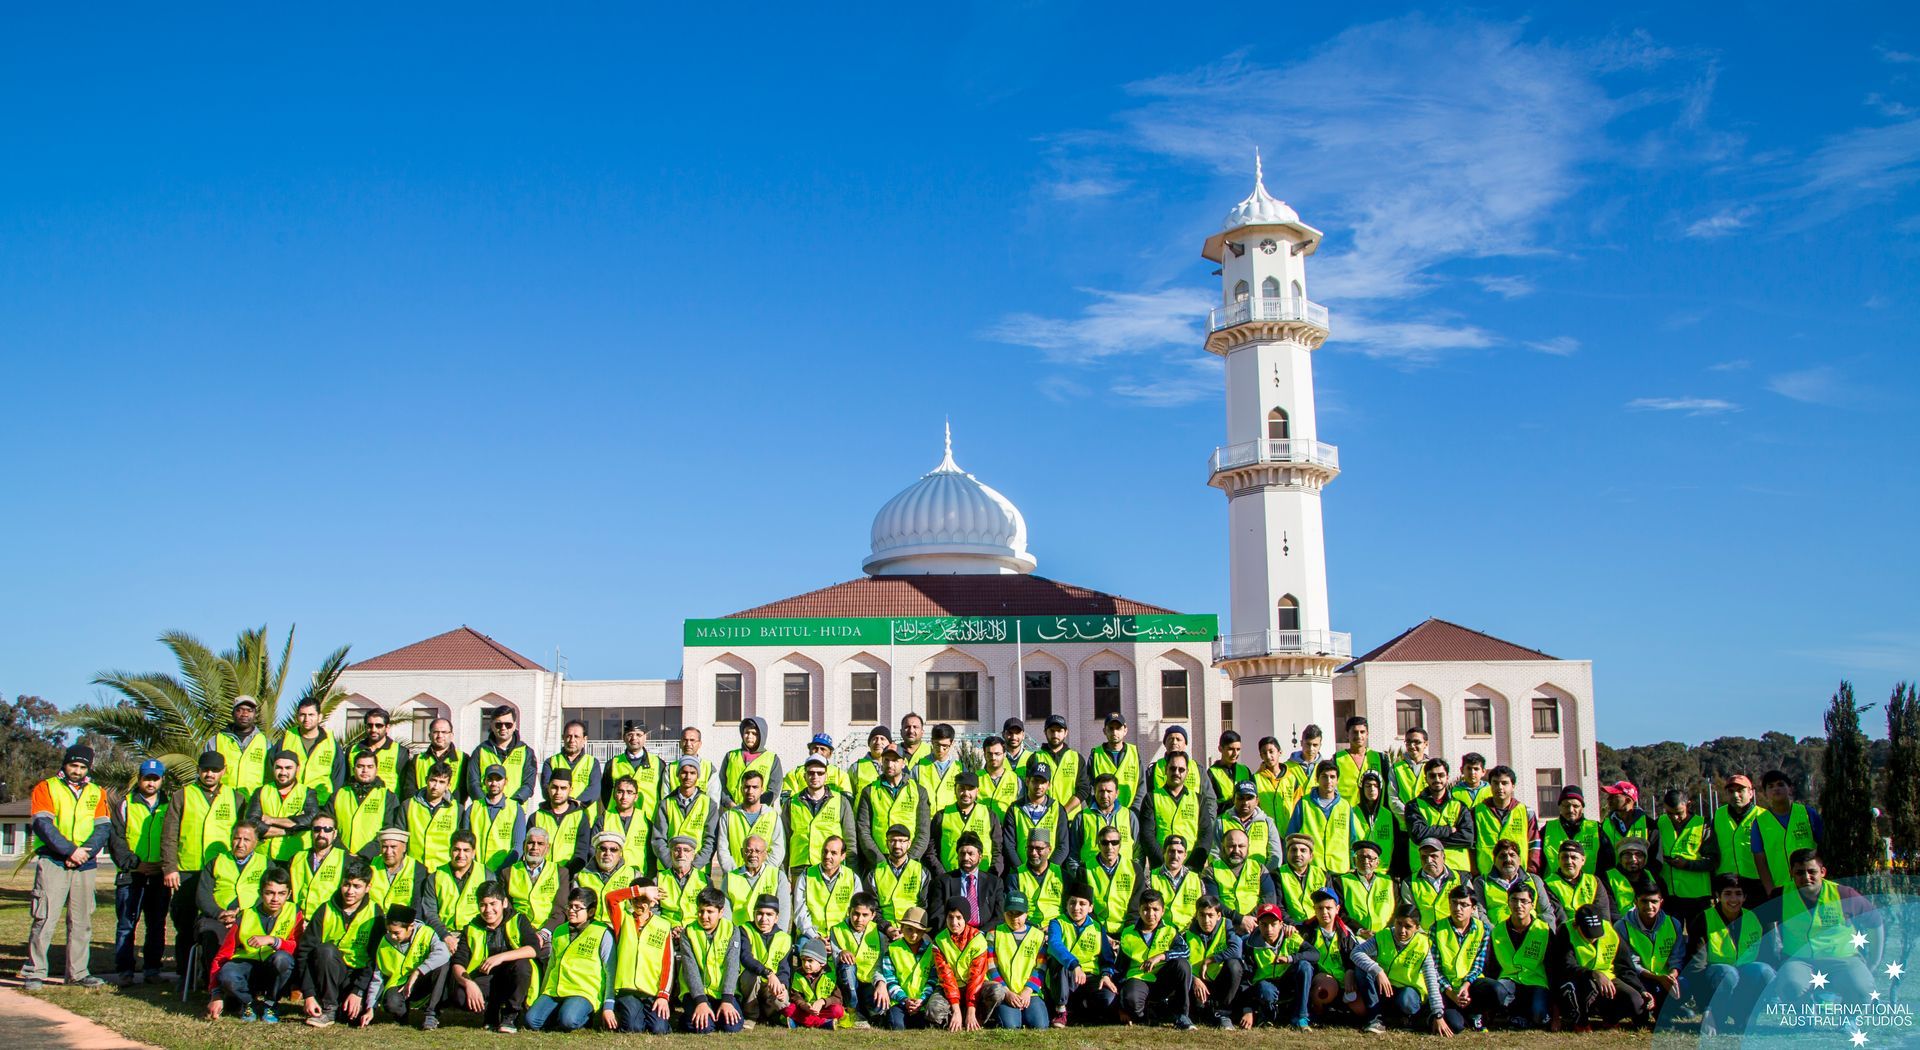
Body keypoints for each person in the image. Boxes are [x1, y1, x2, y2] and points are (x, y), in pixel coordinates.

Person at [22, 744, 111, 991]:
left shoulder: (97, 792)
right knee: (44, 918)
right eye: (74, 765)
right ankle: (35, 972)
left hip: (85, 864)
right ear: (65, 764)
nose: (77, 771)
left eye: (83, 767)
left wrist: (84, 853)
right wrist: (70, 851)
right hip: (53, 861)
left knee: (82, 921)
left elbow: (103, 827)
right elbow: (43, 824)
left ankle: (78, 973)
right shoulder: (46, 787)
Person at [163, 750, 240, 985]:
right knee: (184, 924)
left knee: (217, 923)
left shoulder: (235, 798)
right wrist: (170, 867)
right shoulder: (182, 795)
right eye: (205, 770)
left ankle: (211, 974)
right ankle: (184, 974)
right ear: (198, 770)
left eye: (215, 770)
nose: (210, 774)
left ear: (223, 771)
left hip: (219, 872)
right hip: (187, 869)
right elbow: (169, 834)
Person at [1775, 849, 1881, 1004]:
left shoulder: (1843, 894)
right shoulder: (1780, 896)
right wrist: (1772, 956)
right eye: (1799, 873)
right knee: (1790, 986)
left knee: (1862, 990)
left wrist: (1874, 962)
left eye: (1812, 872)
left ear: (1823, 872)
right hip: (1798, 960)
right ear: (1791, 873)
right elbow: (1761, 923)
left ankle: (1849, 1016)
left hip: (1844, 960)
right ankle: (1806, 1013)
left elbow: (1875, 920)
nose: (1806, 877)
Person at [1682, 874, 1775, 1036]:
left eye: (1738, 894)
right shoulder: (1703, 919)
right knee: (1728, 973)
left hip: (1744, 978)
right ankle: (1716, 1015)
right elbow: (1696, 968)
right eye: (1727, 894)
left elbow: (1767, 957)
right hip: (1716, 979)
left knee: (1766, 971)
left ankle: (1745, 1015)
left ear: (1745, 897)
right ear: (1718, 896)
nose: (1733, 899)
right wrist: (1706, 1009)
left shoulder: (1754, 918)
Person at [206, 865, 302, 1022]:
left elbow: (297, 948)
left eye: (281, 893)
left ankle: (271, 1004)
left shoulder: (294, 912)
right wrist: (215, 994)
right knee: (227, 973)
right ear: (260, 893)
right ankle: (248, 1003)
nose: (275, 899)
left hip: (274, 969)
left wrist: (273, 941)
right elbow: (222, 956)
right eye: (269, 893)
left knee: (283, 959)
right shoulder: (246, 915)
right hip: (248, 967)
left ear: (289, 894)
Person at [296, 857, 383, 1028]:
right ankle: (328, 1008)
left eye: (357, 886)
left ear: (368, 887)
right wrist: (308, 994)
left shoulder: (375, 913)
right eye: (346, 885)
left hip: (358, 977)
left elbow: (376, 958)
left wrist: (358, 991)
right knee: (325, 950)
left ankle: (346, 1006)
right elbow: (304, 952)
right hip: (329, 974)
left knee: (353, 1019)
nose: (350, 891)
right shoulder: (325, 909)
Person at [448, 880, 544, 1034]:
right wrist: (468, 984)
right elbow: (458, 963)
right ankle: (490, 1013)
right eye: (483, 905)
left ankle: (511, 1014)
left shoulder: (519, 919)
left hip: (512, 976)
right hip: (486, 977)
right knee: (461, 995)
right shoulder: (471, 927)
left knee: (522, 966)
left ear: (504, 903)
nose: (488, 910)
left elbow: (533, 949)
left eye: (493, 904)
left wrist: (501, 957)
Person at [109, 758, 171, 986]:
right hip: (131, 874)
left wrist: (165, 864)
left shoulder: (169, 804)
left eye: (155, 779)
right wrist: (134, 863)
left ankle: (152, 969)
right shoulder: (125, 804)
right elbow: (116, 839)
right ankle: (125, 970)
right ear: (139, 779)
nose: (151, 783)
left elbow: (174, 836)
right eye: (147, 778)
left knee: (156, 924)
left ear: (162, 780)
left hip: (158, 874)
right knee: (127, 923)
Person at [192, 820, 271, 989]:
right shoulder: (215, 862)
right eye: (237, 838)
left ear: (256, 842)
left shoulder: (266, 864)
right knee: (211, 934)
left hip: (252, 918)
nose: (240, 844)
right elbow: (202, 895)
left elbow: (270, 895)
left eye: (246, 840)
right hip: (217, 918)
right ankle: (214, 985)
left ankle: (247, 985)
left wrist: (242, 915)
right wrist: (219, 913)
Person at [525, 887, 616, 1032]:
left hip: (583, 991)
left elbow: (610, 972)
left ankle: (586, 1016)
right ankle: (557, 1013)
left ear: (591, 911)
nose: (571, 911)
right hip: (555, 990)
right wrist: (542, 993)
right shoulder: (559, 930)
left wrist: (608, 1005)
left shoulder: (603, 932)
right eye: (570, 906)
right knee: (531, 1021)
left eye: (577, 907)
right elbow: (551, 966)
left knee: (568, 1020)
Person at [1353, 904, 1451, 1035]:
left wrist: (1438, 1014)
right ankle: (1375, 1019)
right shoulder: (1384, 935)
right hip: (1385, 987)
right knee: (1362, 969)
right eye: (1399, 924)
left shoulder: (1423, 944)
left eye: (1408, 926)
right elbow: (1356, 953)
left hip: (1408, 992)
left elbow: (1431, 979)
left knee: (1406, 1000)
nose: (1402, 930)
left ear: (1417, 928)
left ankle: (1409, 1018)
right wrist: (1377, 970)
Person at [1554, 904, 1643, 1030]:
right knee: (1588, 987)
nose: (1593, 938)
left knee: (1635, 1001)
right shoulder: (1566, 931)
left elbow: (1625, 966)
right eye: (1588, 934)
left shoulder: (1610, 931)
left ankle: (1611, 1017)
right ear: (1576, 925)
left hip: (1608, 977)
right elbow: (1566, 966)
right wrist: (1594, 974)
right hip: (1578, 978)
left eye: (1597, 934)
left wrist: (1641, 990)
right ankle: (1580, 1021)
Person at [603, 881, 677, 1033]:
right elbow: (610, 898)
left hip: (652, 991)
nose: (639, 904)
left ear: (652, 902)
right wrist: (641, 891)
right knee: (633, 1027)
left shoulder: (664, 925)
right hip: (627, 989)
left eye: (644, 900)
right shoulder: (623, 920)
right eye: (635, 899)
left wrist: (663, 996)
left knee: (659, 1029)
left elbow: (668, 964)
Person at [787, 754, 857, 913]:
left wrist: (851, 870)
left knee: (830, 910)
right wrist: (784, 874)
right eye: (811, 773)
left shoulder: (841, 801)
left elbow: (850, 839)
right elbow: (785, 839)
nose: (815, 777)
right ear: (804, 776)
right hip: (801, 865)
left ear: (826, 775)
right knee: (800, 912)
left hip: (831, 866)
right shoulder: (792, 803)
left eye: (819, 773)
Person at [1115, 888, 1193, 1029]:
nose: (1151, 914)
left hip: (1163, 978)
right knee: (1131, 1002)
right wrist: (1121, 1006)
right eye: (1146, 909)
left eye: (1155, 909)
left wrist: (1162, 956)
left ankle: (1182, 1015)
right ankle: (1149, 1011)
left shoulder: (1170, 930)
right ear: (1139, 910)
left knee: (1182, 965)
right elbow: (1120, 969)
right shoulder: (1127, 933)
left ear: (1163, 911)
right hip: (1138, 978)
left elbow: (1185, 951)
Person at [1479, 880, 1552, 1029]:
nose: (1519, 905)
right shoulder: (1497, 931)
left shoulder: (1544, 930)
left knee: (1540, 1016)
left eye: (1524, 901)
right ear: (1508, 902)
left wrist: (1556, 1013)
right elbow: (1491, 966)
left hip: (1536, 982)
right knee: (1495, 991)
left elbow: (1553, 968)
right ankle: (1514, 1014)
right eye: (1514, 900)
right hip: (1509, 981)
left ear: (1532, 905)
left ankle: (1522, 1015)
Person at [365, 903, 451, 1029]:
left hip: (423, 981)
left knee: (442, 964)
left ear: (411, 926)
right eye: (389, 931)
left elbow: (444, 953)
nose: (392, 936)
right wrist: (370, 1007)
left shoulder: (426, 933)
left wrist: (418, 971)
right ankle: (402, 1015)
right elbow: (378, 977)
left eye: (396, 933)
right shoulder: (385, 941)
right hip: (400, 984)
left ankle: (431, 1014)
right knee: (391, 1004)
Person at [1045, 884, 1116, 1027]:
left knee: (1107, 998)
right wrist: (1074, 965)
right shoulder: (1057, 923)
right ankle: (1060, 1010)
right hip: (1066, 975)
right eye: (1072, 903)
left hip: (1090, 977)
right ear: (1066, 904)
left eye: (1082, 904)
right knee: (1058, 962)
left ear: (1090, 908)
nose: (1076, 907)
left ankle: (1081, 1010)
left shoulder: (1097, 927)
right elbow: (1054, 945)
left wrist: (1106, 975)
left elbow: (1107, 957)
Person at [677, 887, 744, 1032]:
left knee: (732, 1027)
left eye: (710, 912)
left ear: (721, 912)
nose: (704, 916)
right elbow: (690, 969)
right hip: (696, 993)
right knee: (704, 1027)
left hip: (722, 992)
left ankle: (715, 1011)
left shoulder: (732, 930)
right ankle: (689, 1017)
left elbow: (732, 966)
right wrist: (700, 1001)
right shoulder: (688, 932)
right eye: (701, 911)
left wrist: (727, 1000)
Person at [1296, 889, 1365, 1029]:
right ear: (1314, 909)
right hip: (1322, 980)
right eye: (1320, 908)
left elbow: (1354, 956)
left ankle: (1339, 1011)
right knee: (1325, 989)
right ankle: (1317, 1011)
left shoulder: (1345, 932)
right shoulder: (1306, 931)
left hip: (1344, 980)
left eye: (1329, 908)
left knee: (1361, 1011)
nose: (1324, 912)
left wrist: (1350, 972)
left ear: (1337, 909)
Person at [854, 745, 930, 873]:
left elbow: (923, 831)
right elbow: (864, 830)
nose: (890, 764)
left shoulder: (919, 791)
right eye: (886, 760)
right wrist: (880, 862)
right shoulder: (869, 791)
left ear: (903, 763)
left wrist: (908, 861)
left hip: (909, 861)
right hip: (878, 862)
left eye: (895, 760)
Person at [1235, 903, 1309, 1030]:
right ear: (1258, 924)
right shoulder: (1250, 944)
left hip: (1289, 982)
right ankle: (1268, 1015)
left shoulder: (1291, 936)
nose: (1269, 929)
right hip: (1266, 987)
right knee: (1265, 989)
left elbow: (1314, 954)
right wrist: (1247, 1010)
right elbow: (1246, 978)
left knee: (1305, 966)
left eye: (1273, 924)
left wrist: (1290, 958)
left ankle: (1301, 1017)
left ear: (1281, 924)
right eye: (1264, 924)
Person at [1617, 878, 1684, 1018]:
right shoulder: (1622, 926)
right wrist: (1658, 978)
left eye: (1654, 902)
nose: (1649, 906)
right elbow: (1630, 963)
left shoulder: (1673, 923)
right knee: (1639, 1011)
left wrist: (1671, 976)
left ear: (1661, 902)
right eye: (1644, 901)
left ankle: (1670, 1008)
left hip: (1666, 977)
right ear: (1636, 902)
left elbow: (1677, 957)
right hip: (1639, 978)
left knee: (1686, 983)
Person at [1753, 770, 1824, 900]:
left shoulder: (1807, 813)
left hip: (1811, 886)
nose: (1776, 789)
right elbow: (1760, 861)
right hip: (1782, 889)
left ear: (1790, 788)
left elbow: (1823, 847)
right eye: (1771, 786)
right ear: (1765, 792)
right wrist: (1771, 891)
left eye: (1780, 784)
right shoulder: (1759, 823)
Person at [984, 892, 1050, 1029]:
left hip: (1030, 992)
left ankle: (1026, 1012)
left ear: (1026, 914)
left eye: (1019, 914)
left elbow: (1040, 967)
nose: (1014, 918)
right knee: (1011, 1025)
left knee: (1040, 1025)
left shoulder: (1038, 936)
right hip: (1005, 991)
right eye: (1010, 913)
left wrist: (1028, 990)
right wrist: (1006, 992)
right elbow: (991, 967)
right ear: (1004, 913)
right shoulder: (993, 934)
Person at [1430, 885, 1490, 1032]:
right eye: (1454, 903)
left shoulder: (1483, 929)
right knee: (1455, 1026)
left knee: (1497, 991)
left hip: (1471, 985)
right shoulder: (1436, 928)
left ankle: (1476, 1013)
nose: (1458, 908)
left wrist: (1466, 985)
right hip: (1446, 987)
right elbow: (1434, 968)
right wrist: (1450, 992)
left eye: (1464, 905)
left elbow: (1478, 964)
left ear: (1473, 908)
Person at [1140, 750, 1213, 868]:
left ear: (1187, 772)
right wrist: (1165, 864)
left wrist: (1192, 866)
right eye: (1172, 768)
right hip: (1160, 868)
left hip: (1191, 868)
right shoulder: (1151, 798)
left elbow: (1206, 834)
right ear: (1166, 770)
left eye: (1181, 769)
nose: (1176, 773)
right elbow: (1147, 835)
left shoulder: (1199, 800)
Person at [880, 905, 948, 1029]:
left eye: (919, 931)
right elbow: (890, 980)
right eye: (909, 929)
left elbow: (933, 980)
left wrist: (922, 1000)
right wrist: (905, 1000)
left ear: (924, 932)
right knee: (896, 1025)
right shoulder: (892, 949)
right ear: (901, 928)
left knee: (925, 1025)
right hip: (900, 1002)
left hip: (923, 1003)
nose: (914, 935)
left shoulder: (932, 951)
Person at [1287, 760, 1358, 875]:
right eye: (1324, 776)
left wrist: (1354, 865)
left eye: (1332, 777)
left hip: (1340, 869)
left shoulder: (1345, 806)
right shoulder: (1304, 803)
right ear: (1317, 779)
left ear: (1337, 780)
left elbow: (1353, 839)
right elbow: (1291, 836)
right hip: (1313, 869)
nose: (1328, 781)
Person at [1183, 895, 1243, 1030]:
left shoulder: (1226, 926)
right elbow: (1180, 961)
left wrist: (1210, 960)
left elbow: (1236, 950)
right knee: (1200, 1012)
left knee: (1235, 965)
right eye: (1202, 915)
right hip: (1197, 984)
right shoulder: (1187, 932)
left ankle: (1224, 1013)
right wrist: (1194, 979)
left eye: (1210, 915)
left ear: (1219, 916)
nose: (1206, 920)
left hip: (1220, 980)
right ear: (1196, 915)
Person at [653, 754, 721, 873]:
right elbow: (658, 839)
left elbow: (711, 840)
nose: (688, 776)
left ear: (698, 775)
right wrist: (671, 865)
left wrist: (693, 867)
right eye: (684, 772)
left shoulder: (709, 804)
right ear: (678, 775)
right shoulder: (665, 803)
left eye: (692, 773)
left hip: (698, 870)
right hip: (668, 870)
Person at [1068, 773, 1139, 885]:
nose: (1105, 795)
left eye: (1109, 791)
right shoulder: (1082, 817)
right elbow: (1073, 853)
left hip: (1124, 880)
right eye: (1101, 791)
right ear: (1094, 792)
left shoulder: (1129, 816)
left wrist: (1135, 874)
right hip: (1091, 879)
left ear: (1117, 793)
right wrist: (1080, 877)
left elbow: (1139, 851)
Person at [931, 896, 990, 1031]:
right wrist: (955, 1009)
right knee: (933, 1010)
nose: (954, 922)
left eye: (959, 917)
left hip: (974, 986)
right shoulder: (939, 941)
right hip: (950, 988)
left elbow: (976, 976)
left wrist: (971, 1008)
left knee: (997, 992)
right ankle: (957, 1015)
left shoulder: (978, 939)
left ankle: (975, 1017)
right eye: (950, 917)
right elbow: (946, 976)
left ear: (966, 919)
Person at [1657, 789, 1714, 925]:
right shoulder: (1659, 823)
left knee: (1699, 936)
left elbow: (1712, 861)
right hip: (1669, 896)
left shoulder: (1703, 825)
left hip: (1697, 896)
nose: (1674, 817)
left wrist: (1687, 864)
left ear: (1688, 804)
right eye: (1669, 813)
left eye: (1678, 813)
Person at [929, 770, 1001, 878]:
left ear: (977, 791)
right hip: (950, 878)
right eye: (961, 788)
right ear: (955, 789)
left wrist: (990, 877)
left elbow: (998, 850)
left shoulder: (989, 815)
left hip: (982, 879)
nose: (966, 793)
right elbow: (931, 850)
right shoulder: (941, 816)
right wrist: (942, 875)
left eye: (970, 789)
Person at [1407, 758, 1473, 875]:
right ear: (1426, 778)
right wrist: (1448, 830)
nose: (1437, 779)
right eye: (1432, 776)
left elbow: (1467, 838)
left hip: (1457, 868)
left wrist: (1429, 839)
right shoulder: (1413, 806)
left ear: (1447, 777)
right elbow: (1418, 835)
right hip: (1423, 868)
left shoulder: (1460, 806)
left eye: (1441, 775)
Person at [831, 892, 888, 1026]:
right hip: (846, 983)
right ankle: (852, 1010)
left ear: (873, 915)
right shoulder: (837, 930)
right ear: (849, 911)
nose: (859, 919)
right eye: (856, 914)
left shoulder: (879, 934)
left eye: (865, 915)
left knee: (880, 1009)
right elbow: (834, 960)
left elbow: (879, 965)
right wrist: (840, 953)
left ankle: (869, 1011)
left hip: (869, 982)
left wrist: (881, 983)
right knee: (847, 966)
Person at [600, 720, 665, 836]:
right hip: (617, 823)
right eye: (630, 734)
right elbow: (605, 794)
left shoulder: (658, 764)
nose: (634, 738)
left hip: (648, 822)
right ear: (623, 738)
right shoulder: (613, 763)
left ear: (645, 737)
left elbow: (663, 794)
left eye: (638, 735)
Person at [737, 893, 793, 1025]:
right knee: (751, 976)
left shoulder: (785, 938)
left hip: (771, 985)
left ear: (776, 918)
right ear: (754, 914)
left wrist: (783, 985)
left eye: (769, 914)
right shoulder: (744, 930)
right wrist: (768, 973)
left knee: (782, 1001)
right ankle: (750, 1015)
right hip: (751, 982)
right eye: (760, 913)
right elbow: (745, 958)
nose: (764, 919)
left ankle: (769, 1014)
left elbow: (785, 969)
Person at [250, 751, 317, 863]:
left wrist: (272, 820)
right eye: (279, 768)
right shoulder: (261, 791)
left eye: (288, 768)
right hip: (264, 856)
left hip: (296, 857)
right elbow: (252, 823)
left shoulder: (307, 793)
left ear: (297, 769)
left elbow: (311, 820)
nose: (283, 772)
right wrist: (287, 831)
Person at [276, 696, 345, 804]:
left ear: (319, 717)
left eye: (311, 715)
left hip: (321, 803)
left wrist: (331, 804)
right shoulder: (286, 740)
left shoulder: (331, 743)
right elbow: (271, 770)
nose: (306, 719)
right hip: (290, 802)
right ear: (297, 717)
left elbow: (338, 777)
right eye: (303, 715)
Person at [1475, 837, 1555, 930]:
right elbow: (1480, 914)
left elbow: (1546, 912)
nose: (1508, 859)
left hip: (1532, 932)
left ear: (1519, 860)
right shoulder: (1482, 882)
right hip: (1497, 934)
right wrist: (1494, 933)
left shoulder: (1534, 880)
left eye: (1512, 855)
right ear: (1494, 861)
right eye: (1502, 856)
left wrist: (1545, 933)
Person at [504, 825, 571, 933]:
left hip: (548, 932)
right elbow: (507, 908)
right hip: (517, 930)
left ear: (547, 848)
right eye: (531, 843)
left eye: (540, 844)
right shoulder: (508, 873)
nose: (535, 847)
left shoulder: (560, 872)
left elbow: (560, 909)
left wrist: (545, 932)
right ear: (524, 845)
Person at [330, 751, 396, 858]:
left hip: (373, 859)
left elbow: (389, 830)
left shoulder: (388, 797)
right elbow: (327, 827)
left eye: (370, 767)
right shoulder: (338, 795)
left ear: (376, 769)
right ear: (353, 769)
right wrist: (343, 853)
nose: (365, 770)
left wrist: (363, 854)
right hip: (341, 857)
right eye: (360, 766)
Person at [208, 696, 272, 806]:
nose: (245, 714)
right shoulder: (216, 741)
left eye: (249, 710)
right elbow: (204, 772)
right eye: (240, 710)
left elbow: (270, 776)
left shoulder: (266, 744)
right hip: (221, 802)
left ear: (255, 714)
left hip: (253, 804)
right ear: (233, 714)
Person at [1471, 766, 1534, 876]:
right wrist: (1474, 872)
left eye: (1504, 783)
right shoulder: (1476, 812)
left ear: (1513, 786)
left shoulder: (1526, 812)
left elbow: (1534, 845)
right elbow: (1471, 845)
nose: (1500, 787)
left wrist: (1532, 871)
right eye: (1495, 783)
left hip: (1519, 875)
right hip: (1486, 875)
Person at [368, 827, 437, 928]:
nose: (388, 852)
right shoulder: (370, 864)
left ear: (404, 847)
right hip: (372, 923)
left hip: (403, 926)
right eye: (384, 847)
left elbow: (417, 903)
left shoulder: (418, 869)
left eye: (393, 847)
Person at [467, 706, 537, 804]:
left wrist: (511, 805)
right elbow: (473, 783)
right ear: (492, 725)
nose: (503, 728)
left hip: (515, 810)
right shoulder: (480, 751)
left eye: (508, 725)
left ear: (514, 725)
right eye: (498, 725)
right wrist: (487, 804)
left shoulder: (526, 752)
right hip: (484, 809)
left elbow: (528, 785)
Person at [466, 763, 528, 873]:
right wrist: (474, 869)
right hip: (476, 872)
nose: (494, 783)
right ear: (484, 781)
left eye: (498, 779)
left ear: (506, 781)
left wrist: (502, 870)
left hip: (504, 873)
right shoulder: (473, 808)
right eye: (490, 779)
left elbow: (518, 846)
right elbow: (465, 843)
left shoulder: (516, 809)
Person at [1003, 761, 1066, 869]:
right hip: (1020, 871)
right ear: (1027, 781)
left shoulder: (1057, 808)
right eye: (1035, 781)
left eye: (1043, 782)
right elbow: (1009, 845)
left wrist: (1048, 871)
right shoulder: (1014, 808)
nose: (1039, 786)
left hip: (1050, 873)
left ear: (1049, 785)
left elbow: (1063, 846)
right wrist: (1021, 870)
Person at [933, 832, 1003, 930]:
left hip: (984, 934)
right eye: (962, 854)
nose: (966, 858)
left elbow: (999, 916)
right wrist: (957, 933)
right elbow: (937, 916)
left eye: (970, 854)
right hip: (953, 934)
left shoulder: (994, 882)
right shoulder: (943, 881)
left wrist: (980, 934)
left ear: (980, 857)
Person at [398, 761, 460, 872]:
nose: (435, 786)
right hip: (413, 869)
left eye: (441, 782)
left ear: (448, 785)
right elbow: (399, 841)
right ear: (426, 780)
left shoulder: (458, 809)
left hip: (444, 870)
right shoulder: (408, 805)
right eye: (433, 780)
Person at [1712, 774, 1765, 902]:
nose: (1736, 795)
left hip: (1756, 880)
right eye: (1731, 791)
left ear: (1751, 793)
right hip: (1726, 880)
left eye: (1740, 790)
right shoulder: (1719, 814)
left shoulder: (1763, 816)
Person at [1387, 727, 1433, 875]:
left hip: (1427, 830)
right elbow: (1393, 798)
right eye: (1408, 742)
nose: (1412, 746)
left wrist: (1423, 821)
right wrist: (1411, 818)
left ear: (1426, 744)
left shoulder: (1432, 768)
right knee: (1405, 875)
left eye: (1417, 742)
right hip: (1404, 830)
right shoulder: (1396, 768)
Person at [797, 835, 859, 941]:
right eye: (825, 851)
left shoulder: (852, 878)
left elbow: (857, 911)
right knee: (805, 948)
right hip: (812, 934)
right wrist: (815, 936)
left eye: (833, 853)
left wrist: (838, 938)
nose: (827, 856)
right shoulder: (806, 876)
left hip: (843, 935)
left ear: (843, 856)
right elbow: (800, 912)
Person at [432, 831, 489, 947]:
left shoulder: (486, 875)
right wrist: (445, 936)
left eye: (466, 850)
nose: (461, 855)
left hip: (476, 935)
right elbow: (429, 913)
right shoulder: (435, 877)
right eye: (456, 850)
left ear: (473, 853)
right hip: (443, 936)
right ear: (450, 851)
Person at [1083, 825, 1141, 938]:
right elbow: (1084, 907)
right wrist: (1101, 935)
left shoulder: (1134, 869)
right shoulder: (1084, 869)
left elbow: (1136, 908)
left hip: (1128, 931)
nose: (1110, 847)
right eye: (1105, 843)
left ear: (1120, 845)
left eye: (1114, 842)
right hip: (1094, 930)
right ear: (1098, 844)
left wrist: (1127, 934)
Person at [722, 832, 789, 929]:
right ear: (742, 852)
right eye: (748, 851)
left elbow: (783, 911)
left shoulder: (778, 876)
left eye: (758, 851)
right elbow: (725, 915)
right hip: (739, 932)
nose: (753, 854)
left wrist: (778, 935)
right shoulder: (729, 878)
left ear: (765, 854)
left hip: (768, 933)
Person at [866, 824, 923, 934]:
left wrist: (909, 930)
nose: (897, 845)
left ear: (909, 843)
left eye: (901, 841)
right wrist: (888, 928)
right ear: (886, 843)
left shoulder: (921, 871)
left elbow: (923, 906)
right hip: (883, 930)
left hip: (914, 930)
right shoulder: (875, 873)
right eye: (892, 841)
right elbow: (872, 908)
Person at [596, 774, 656, 876]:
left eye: (629, 792)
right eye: (620, 792)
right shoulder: (603, 819)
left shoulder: (646, 821)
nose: (624, 797)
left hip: (638, 876)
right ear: (614, 794)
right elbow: (593, 850)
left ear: (636, 797)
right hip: (610, 877)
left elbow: (652, 855)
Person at [291, 812, 348, 918]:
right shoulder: (296, 858)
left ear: (335, 833)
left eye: (327, 829)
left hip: (329, 920)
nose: (321, 834)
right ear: (311, 832)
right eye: (317, 829)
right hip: (299, 919)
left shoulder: (346, 859)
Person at [1541, 785, 1607, 876]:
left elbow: (1607, 862)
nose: (1571, 810)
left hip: (1588, 883)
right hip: (1553, 883)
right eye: (1566, 806)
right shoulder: (1547, 829)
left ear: (1582, 808)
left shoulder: (1595, 829)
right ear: (1560, 807)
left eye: (1575, 806)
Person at [1218, 780, 1282, 874]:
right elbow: (1215, 853)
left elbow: (1275, 855)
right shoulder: (1221, 822)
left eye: (1249, 798)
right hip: (1228, 878)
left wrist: (1265, 876)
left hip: (1260, 878)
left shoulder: (1268, 823)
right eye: (1241, 798)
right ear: (1233, 799)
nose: (1245, 802)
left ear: (1257, 801)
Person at [1545, 838, 1613, 925]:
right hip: (1566, 929)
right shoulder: (1548, 884)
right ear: (1558, 859)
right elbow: (1559, 917)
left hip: (1594, 927)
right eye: (1564, 857)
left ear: (1583, 860)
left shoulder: (1594, 881)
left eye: (1574, 857)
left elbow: (1603, 913)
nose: (1569, 861)